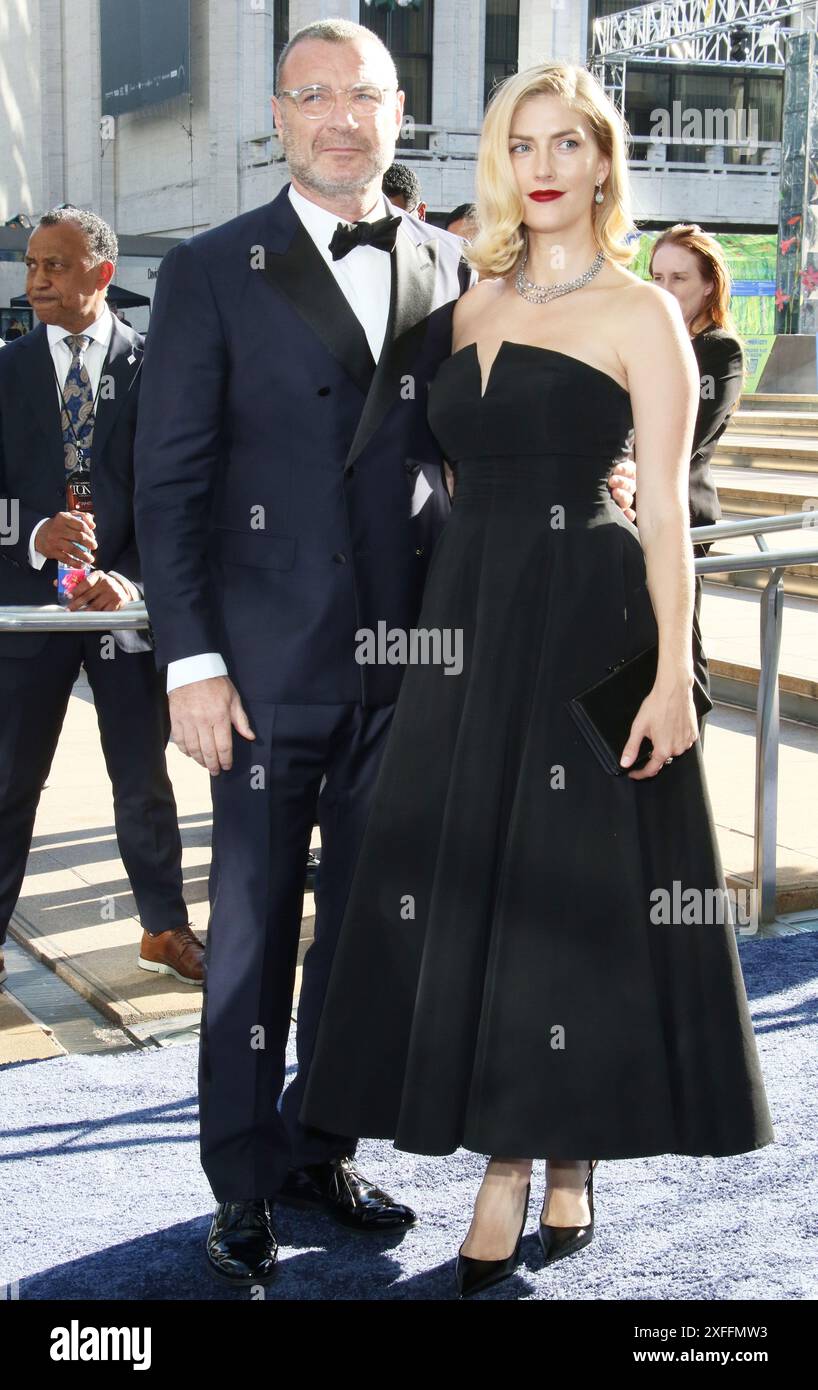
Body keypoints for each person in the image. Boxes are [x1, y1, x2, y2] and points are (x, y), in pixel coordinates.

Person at [132, 22, 637, 1288]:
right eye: (312, 95)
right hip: (259, 675)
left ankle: (321, 1146)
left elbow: (478, 448)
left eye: (361, 94)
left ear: (397, 111)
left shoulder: (451, 262)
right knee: (250, 941)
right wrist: (190, 663)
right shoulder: (209, 268)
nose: (339, 117)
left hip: (415, 667)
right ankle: (241, 1182)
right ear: (277, 116)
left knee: (370, 935)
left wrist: (590, 481)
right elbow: (169, 483)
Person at [299, 60, 774, 1300]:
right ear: (499, 164)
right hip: (471, 628)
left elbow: (663, 511)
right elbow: (434, 473)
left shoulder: (641, 312)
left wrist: (668, 675)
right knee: (486, 892)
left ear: (602, 162)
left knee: (573, 897)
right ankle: (555, 1155)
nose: (545, 164)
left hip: (592, 624)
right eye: (522, 144)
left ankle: (514, 1168)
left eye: (568, 142)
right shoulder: (464, 308)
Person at [0, 208, 201, 996]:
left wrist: (132, 583)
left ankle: (163, 928)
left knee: (142, 779)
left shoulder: (160, 368)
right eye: (31, 265)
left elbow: (180, 495)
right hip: (27, 614)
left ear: (102, 273)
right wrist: (32, 534)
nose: (36, 280)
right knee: (9, 780)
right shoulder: (6, 369)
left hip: (125, 615)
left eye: (54, 265)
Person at [650, 224, 745, 694]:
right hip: (635, 508)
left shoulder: (719, 350)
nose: (665, 288)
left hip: (681, 514)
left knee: (680, 643)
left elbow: (687, 437)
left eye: (680, 277)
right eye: (657, 277)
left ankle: (687, 730)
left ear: (709, 285)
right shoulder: (649, 341)